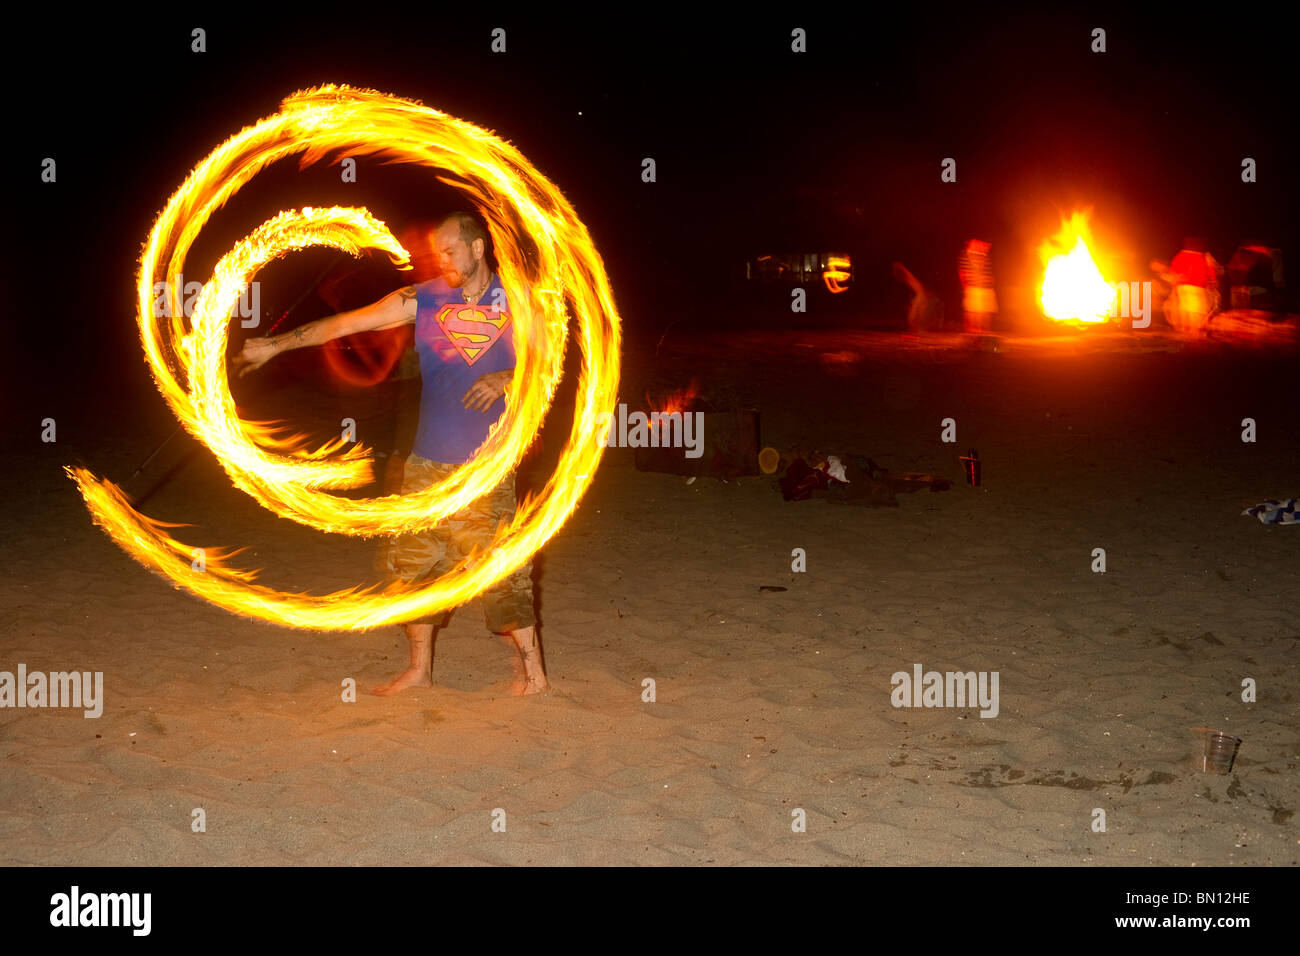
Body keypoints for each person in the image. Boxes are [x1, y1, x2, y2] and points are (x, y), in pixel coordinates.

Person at [235, 211, 549, 696]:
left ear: (478, 247)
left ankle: (535, 677)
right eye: (436, 253)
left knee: (503, 570)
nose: (440, 260)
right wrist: (274, 345)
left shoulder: (519, 299)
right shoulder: (421, 298)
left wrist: (508, 377)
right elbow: (345, 323)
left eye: (449, 251)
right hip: (426, 462)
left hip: (487, 466)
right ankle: (420, 671)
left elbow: (547, 366)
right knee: (414, 569)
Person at [1168, 237, 1222, 334]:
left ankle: (1186, 332)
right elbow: (1212, 271)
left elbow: (1173, 271)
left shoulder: (1181, 255)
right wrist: (1214, 283)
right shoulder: (1204, 256)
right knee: (1197, 312)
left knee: (1186, 311)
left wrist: (1175, 286)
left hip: (1182, 287)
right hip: (1197, 287)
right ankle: (1195, 334)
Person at [891, 262, 945, 332]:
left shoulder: (924, 295)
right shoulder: (920, 294)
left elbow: (915, 283)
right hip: (924, 320)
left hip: (928, 308)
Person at [958, 239, 997, 333]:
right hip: (974, 288)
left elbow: (990, 271)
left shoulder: (985, 256)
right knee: (972, 311)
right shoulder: (966, 255)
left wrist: (991, 281)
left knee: (986, 311)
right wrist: (965, 285)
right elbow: (962, 272)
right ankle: (971, 332)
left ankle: (984, 331)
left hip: (986, 288)